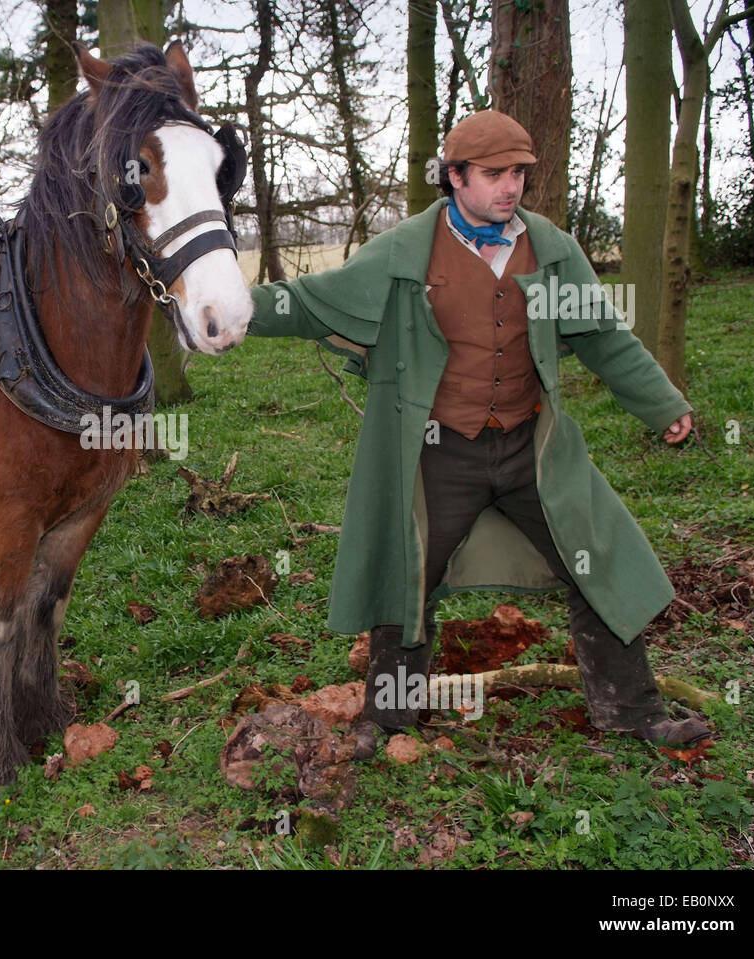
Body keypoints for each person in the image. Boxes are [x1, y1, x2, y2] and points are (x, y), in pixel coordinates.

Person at [246, 110, 710, 757]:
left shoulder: (550, 251)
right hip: (439, 452)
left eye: (519, 172)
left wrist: (663, 405)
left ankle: (635, 714)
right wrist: (233, 309)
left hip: (530, 450)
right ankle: (388, 719)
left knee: (593, 561)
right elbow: (316, 299)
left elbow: (603, 334)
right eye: (494, 173)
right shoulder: (408, 251)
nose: (510, 186)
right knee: (406, 573)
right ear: (455, 177)